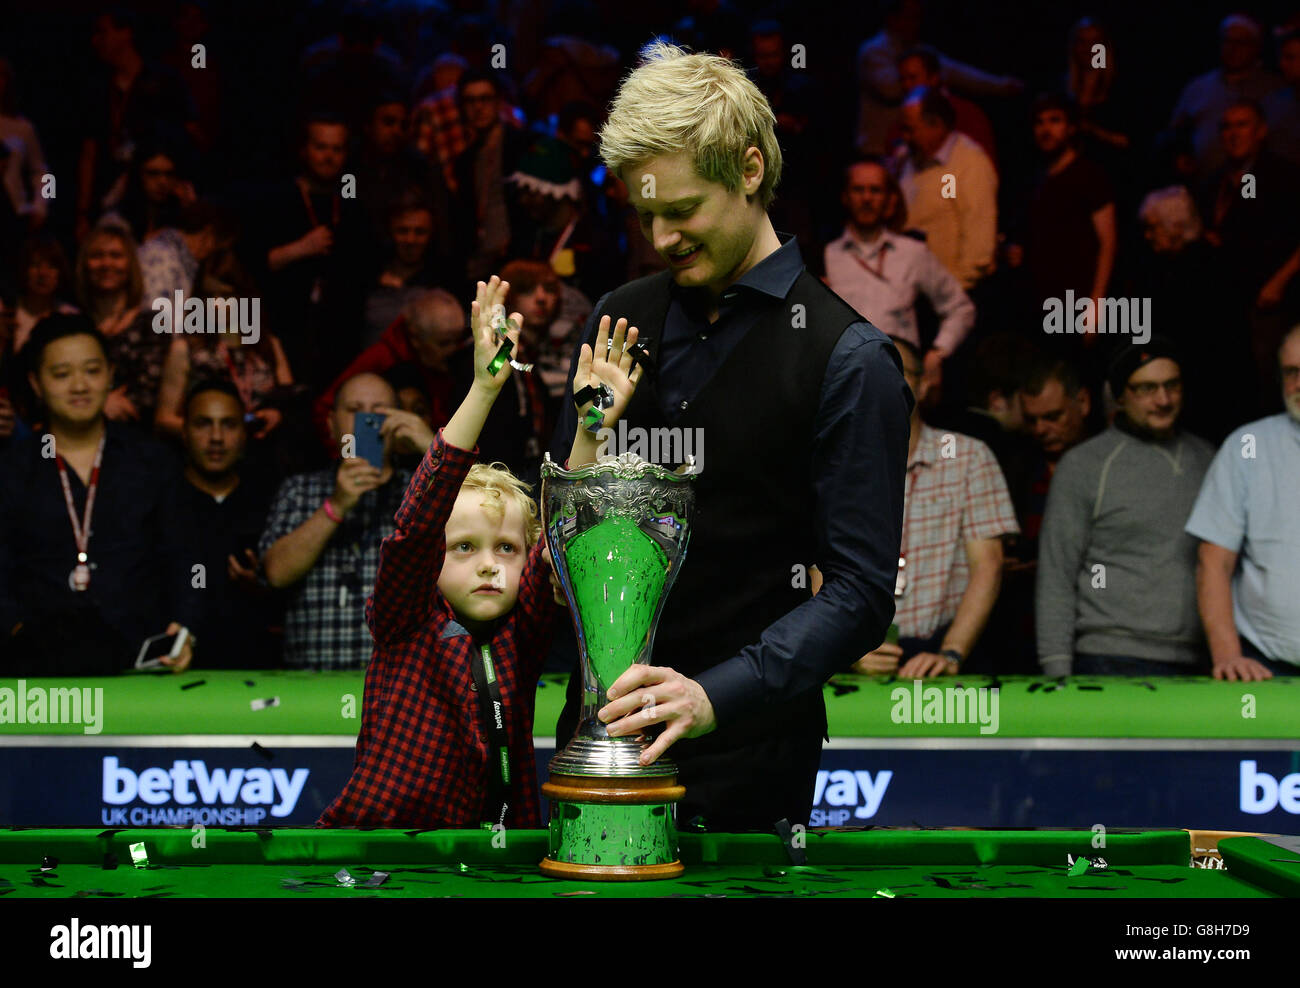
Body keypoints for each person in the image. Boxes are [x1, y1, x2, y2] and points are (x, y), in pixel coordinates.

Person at [547, 42, 912, 831]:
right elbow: (563, 534)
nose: (660, 238)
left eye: (681, 211)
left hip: (750, 762)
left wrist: (714, 695)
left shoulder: (850, 358)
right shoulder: (618, 313)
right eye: (644, 214)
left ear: (749, 170)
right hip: (595, 741)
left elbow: (859, 594)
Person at [317, 276, 642, 827]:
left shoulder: (525, 628)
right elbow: (417, 527)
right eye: (463, 547)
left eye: (507, 548)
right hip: (385, 857)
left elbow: (560, 541)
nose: (489, 563)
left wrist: (591, 429)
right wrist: (484, 390)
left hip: (496, 858)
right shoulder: (405, 619)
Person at [0, 314, 197, 674]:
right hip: (35, 675)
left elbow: (187, 560)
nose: (79, 385)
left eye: (91, 370)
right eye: (61, 374)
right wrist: (14, 631)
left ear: (110, 375)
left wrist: (185, 627)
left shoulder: (153, 463)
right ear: (35, 383)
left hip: (143, 668)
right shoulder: (12, 469)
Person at [828, 337, 1017, 678]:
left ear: (925, 382)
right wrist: (845, 648)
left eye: (898, 372)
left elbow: (988, 566)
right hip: (852, 652)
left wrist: (951, 653)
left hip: (941, 648)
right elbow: (820, 567)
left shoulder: (968, 456)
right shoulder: (837, 461)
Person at [1036, 339, 1214, 677]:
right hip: (1109, 657)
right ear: (1119, 396)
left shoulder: (1209, 458)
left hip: (1198, 662)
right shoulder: (1085, 465)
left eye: (1171, 386)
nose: (1163, 400)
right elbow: (1057, 574)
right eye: (1146, 388)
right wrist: (1056, 669)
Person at [258, 371, 434, 669]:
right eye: (354, 411)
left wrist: (433, 448)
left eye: (379, 411)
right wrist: (336, 506)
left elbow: (489, 511)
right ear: (331, 424)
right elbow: (275, 573)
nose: (367, 421)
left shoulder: (425, 491)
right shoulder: (299, 491)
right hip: (311, 685)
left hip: (401, 693)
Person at [1185, 324, 1300, 679]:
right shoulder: (1247, 446)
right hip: (1263, 669)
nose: (1298, 384)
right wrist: (1228, 657)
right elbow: (1213, 562)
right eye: (1291, 373)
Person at [823, 158, 973, 393]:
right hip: (843, 381)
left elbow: (960, 308)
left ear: (889, 199)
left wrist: (939, 352)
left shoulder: (912, 253)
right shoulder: (827, 255)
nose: (867, 198)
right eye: (858, 190)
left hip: (899, 381)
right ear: (845, 197)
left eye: (875, 190)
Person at [174, 380, 282, 668]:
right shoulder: (160, 502)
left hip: (258, 671)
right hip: (174, 672)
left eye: (229, 425)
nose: (217, 437)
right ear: (184, 431)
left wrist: (265, 586)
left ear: (245, 433)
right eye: (203, 424)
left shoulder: (271, 501)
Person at [1200, 98, 1300, 411]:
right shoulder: (1216, 181)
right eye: (1226, 126)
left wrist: (1279, 282)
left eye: (1242, 125)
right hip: (1229, 304)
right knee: (1235, 388)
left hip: (1271, 303)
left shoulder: (1283, 176)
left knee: (1271, 385)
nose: (1233, 133)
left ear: (1260, 131)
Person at [855, 0, 1020, 156]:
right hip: (878, 150)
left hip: (919, 150)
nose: (916, 24)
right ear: (893, 18)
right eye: (910, 16)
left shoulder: (962, 113)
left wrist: (1002, 85)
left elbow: (959, 73)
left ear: (934, 78)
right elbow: (888, 88)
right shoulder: (874, 51)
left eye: (918, 17)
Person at [894, 86, 998, 293]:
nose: (904, 136)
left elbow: (979, 245)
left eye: (910, 129)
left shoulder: (970, 163)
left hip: (947, 295)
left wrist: (952, 293)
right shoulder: (907, 159)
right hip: (910, 290)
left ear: (937, 125)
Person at [1168, 14, 1281, 182]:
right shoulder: (1199, 87)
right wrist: (1179, 154)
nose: (1232, 48)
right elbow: (1174, 134)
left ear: (1256, 47)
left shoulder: (1274, 88)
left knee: (1248, 203)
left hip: (1254, 183)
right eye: (1227, 41)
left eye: (1240, 42)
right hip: (1206, 186)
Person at [74, 224, 167, 427]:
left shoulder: (152, 324)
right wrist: (100, 406)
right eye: (97, 255)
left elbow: (146, 397)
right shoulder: (72, 324)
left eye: (116, 255)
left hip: (134, 441)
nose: (106, 263)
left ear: (130, 264)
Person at [1016, 358, 1095, 560]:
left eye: (1052, 417)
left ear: (1083, 403)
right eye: (1031, 420)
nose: (1040, 429)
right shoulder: (1018, 470)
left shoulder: (1111, 465)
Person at [888, 45, 997, 170]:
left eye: (913, 78)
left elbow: (985, 166)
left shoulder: (968, 114)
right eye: (902, 79)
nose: (906, 85)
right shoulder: (900, 122)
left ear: (934, 78)